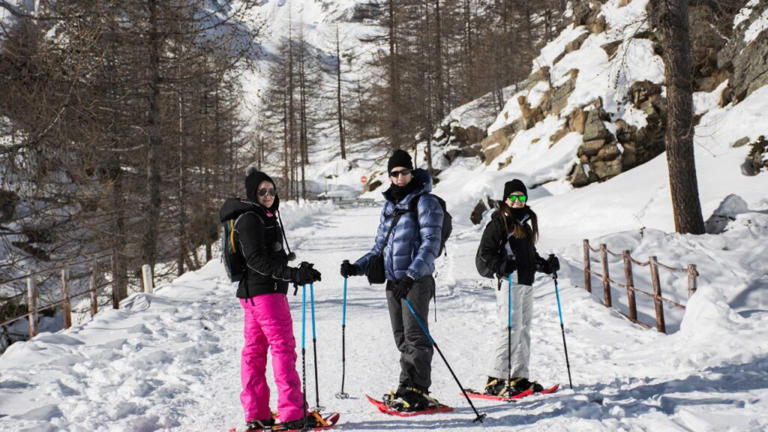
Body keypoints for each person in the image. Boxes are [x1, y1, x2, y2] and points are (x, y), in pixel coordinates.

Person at [219, 168, 325, 431]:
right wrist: (292, 274)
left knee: (254, 354)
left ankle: (257, 414)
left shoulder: (260, 217)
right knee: (283, 348)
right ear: (252, 194)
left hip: (254, 296)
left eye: (271, 190)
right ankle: (292, 414)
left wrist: (294, 268)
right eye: (261, 191)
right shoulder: (251, 219)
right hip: (266, 294)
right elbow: (255, 260)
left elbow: (265, 255)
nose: (268, 195)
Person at [339, 149, 444, 412]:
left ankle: (418, 389)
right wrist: (356, 267)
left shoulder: (425, 202)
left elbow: (431, 243)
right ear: (389, 176)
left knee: (416, 336)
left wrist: (411, 275)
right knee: (401, 338)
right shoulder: (390, 206)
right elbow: (379, 247)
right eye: (394, 173)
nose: (399, 178)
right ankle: (406, 386)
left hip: (416, 281)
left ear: (411, 172)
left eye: (404, 172)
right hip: (394, 283)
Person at [474, 178, 560, 397]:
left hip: (525, 281)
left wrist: (545, 265)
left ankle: (519, 377)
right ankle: (495, 378)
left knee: (524, 329)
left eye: (521, 197)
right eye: (513, 197)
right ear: (506, 199)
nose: (517, 201)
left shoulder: (525, 224)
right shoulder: (498, 223)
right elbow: (486, 252)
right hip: (509, 281)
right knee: (510, 328)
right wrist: (501, 265)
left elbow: (529, 255)